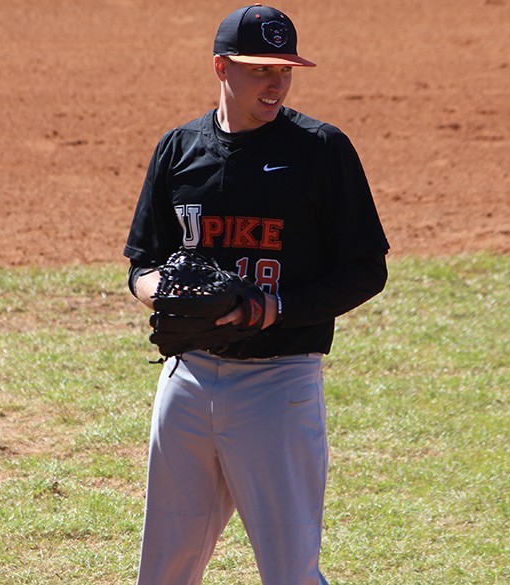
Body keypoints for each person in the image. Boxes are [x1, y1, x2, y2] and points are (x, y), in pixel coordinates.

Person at [123, 4, 389, 584]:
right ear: (222, 67)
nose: (275, 82)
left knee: (291, 574)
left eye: (285, 69)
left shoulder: (322, 150)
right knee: (162, 572)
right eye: (260, 69)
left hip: (278, 383)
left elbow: (366, 269)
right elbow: (143, 261)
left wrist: (275, 307)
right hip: (187, 381)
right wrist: (162, 293)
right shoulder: (179, 149)